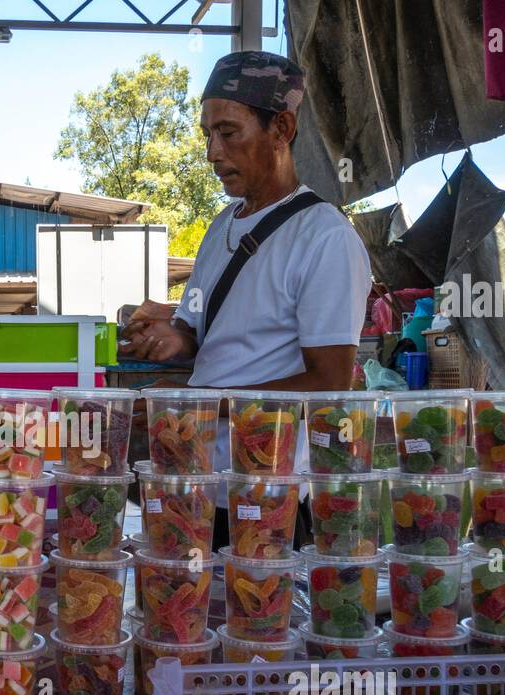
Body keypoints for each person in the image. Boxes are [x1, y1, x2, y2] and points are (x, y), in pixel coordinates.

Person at [119, 51, 372, 547]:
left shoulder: (323, 237)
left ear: (281, 128)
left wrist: (199, 407)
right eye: (207, 135)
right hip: (191, 481)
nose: (213, 152)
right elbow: (197, 328)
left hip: (262, 494)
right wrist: (172, 336)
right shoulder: (221, 227)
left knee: (254, 618)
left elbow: (328, 383)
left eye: (228, 132)